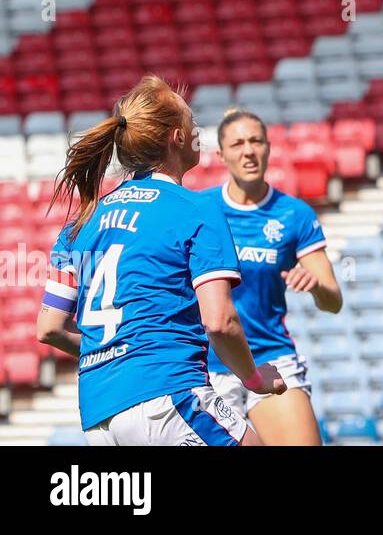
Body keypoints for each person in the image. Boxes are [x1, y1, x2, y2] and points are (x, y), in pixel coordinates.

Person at [36, 75, 285, 446]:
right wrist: (254, 379)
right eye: (193, 122)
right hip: (166, 395)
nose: (198, 131)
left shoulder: (80, 224)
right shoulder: (195, 209)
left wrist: (115, 353)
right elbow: (219, 321)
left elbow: (49, 327)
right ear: (177, 137)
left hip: (99, 418)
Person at [204, 108, 343, 445]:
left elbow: (333, 301)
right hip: (208, 367)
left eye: (255, 141)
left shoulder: (294, 214)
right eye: (237, 144)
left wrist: (315, 286)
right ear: (221, 155)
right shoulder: (201, 210)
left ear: (268, 147)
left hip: (271, 357)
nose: (248, 150)